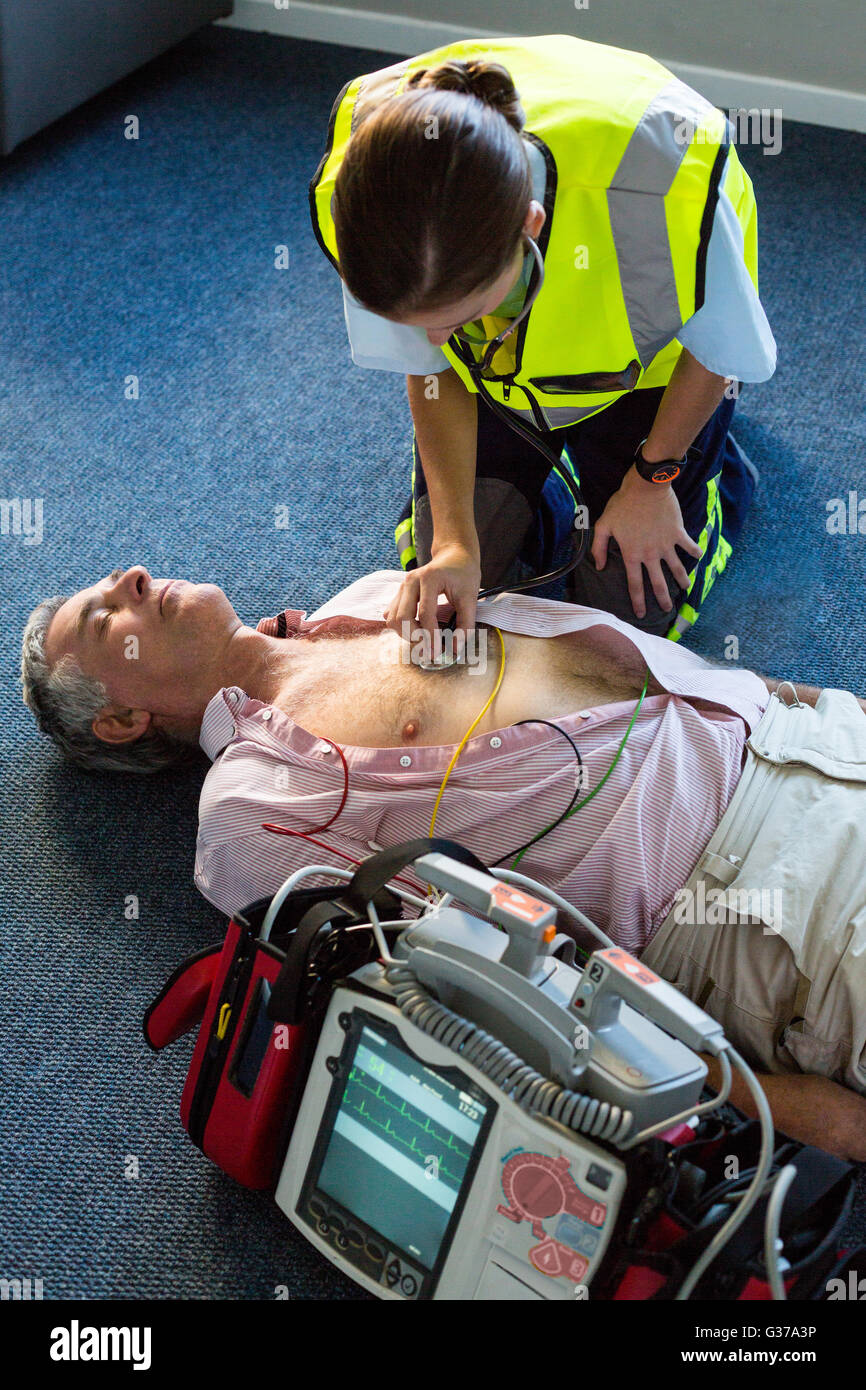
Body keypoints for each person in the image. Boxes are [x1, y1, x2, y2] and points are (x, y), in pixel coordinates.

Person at [21, 566, 866, 1160]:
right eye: (106, 619)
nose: (132, 576)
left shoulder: (360, 601)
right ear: (123, 722)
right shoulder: (249, 811)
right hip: (759, 904)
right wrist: (758, 1099)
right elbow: (472, 999)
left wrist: (801, 704)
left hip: (803, 742)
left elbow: (587, 660)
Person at [311, 34, 776, 645]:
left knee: (626, 622)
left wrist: (652, 479)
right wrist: (454, 542)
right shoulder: (373, 200)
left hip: (651, 370)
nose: (432, 338)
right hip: (502, 376)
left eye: (459, 313)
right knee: (452, 601)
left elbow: (717, 354)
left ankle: (720, 465)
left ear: (530, 228)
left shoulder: (666, 192)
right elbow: (432, 371)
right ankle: (548, 478)